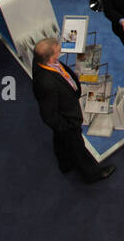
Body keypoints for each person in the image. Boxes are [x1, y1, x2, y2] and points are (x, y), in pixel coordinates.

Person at [31, 38, 116, 184]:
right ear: (51, 57)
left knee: (60, 139)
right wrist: (67, 126)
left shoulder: (42, 61)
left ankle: (65, 163)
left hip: (66, 113)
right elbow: (49, 115)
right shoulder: (46, 83)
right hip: (68, 121)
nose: (61, 51)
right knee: (77, 147)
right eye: (58, 50)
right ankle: (92, 174)